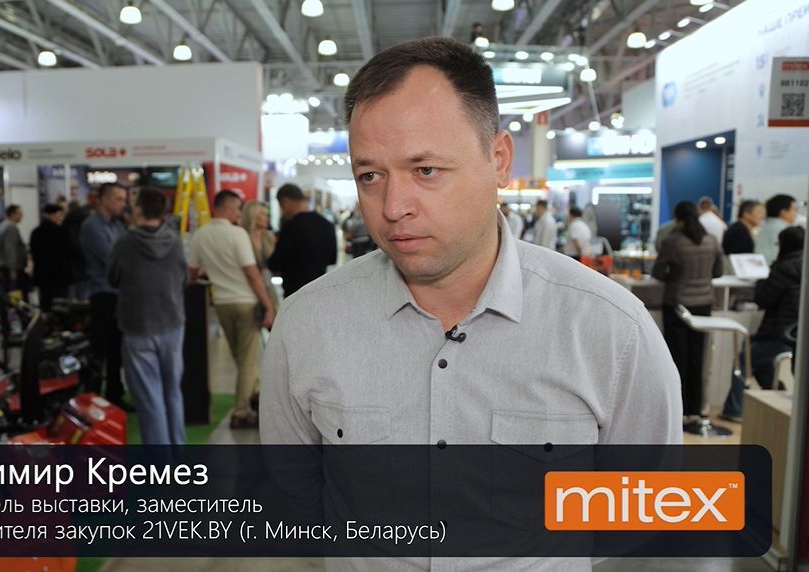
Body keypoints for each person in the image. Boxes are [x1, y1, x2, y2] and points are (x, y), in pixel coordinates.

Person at [261, 39, 681, 569]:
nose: (393, 207)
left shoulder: (611, 330)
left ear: (498, 160)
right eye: (370, 175)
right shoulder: (307, 324)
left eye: (425, 170)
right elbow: (298, 490)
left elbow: (639, 505)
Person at [188, 190, 275, 429]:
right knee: (247, 359)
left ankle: (255, 393)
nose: (239, 213)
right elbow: (252, 273)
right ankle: (241, 412)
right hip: (246, 302)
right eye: (237, 208)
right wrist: (268, 305)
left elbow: (192, 272)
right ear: (226, 208)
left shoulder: (200, 235)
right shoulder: (237, 234)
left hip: (222, 303)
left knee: (240, 355)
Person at [107, 187, 187, 445]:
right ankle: (178, 451)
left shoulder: (124, 244)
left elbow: (112, 277)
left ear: (139, 209)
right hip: (172, 322)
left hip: (138, 325)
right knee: (172, 391)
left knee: (149, 397)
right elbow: (183, 278)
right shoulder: (175, 241)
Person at [652, 201, 723, 428]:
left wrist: (675, 275)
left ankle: (678, 410)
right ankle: (695, 409)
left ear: (677, 219)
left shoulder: (673, 241)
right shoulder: (711, 240)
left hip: (677, 304)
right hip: (704, 305)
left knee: (676, 359)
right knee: (697, 358)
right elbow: (718, 271)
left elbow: (658, 272)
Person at [722, 225, 804, 421]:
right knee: (761, 363)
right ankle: (776, 397)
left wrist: (762, 279)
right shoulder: (803, 266)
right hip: (795, 334)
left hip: (777, 333)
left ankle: (734, 410)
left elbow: (763, 298)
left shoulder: (783, 268)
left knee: (745, 359)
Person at [80, 183, 132, 411]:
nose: (123, 204)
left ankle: (114, 395)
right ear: (103, 199)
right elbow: (112, 259)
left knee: (116, 350)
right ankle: (91, 398)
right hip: (103, 295)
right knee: (100, 349)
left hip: (119, 294)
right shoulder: (92, 226)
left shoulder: (118, 225)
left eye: (124, 199)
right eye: (118, 199)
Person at [267, 183, 338, 298]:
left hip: (294, 294)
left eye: (281, 206)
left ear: (286, 202)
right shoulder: (327, 225)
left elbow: (275, 263)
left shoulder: (291, 227)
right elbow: (332, 259)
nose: (282, 210)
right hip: (320, 291)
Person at [29, 204, 73, 309]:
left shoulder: (36, 232)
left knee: (45, 303)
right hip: (59, 276)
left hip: (42, 275)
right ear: (52, 215)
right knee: (60, 306)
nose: (61, 218)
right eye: (59, 215)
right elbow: (67, 252)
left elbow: (33, 252)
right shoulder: (60, 232)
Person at [241, 200, 279, 313]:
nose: (266, 218)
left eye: (266, 214)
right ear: (253, 215)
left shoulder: (268, 237)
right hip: (248, 288)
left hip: (268, 285)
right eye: (262, 214)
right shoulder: (243, 237)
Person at [0, 204, 28, 297]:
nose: (22, 215)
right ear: (12, 214)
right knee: (16, 295)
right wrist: (13, 270)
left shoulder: (3, 225)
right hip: (11, 268)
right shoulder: (10, 227)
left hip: (5, 266)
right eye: (19, 213)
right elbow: (11, 249)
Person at [755, 194, 798, 265]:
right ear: (783, 212)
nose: (796, 214)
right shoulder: (784, 229)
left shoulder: (766, 225)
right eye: (795, 210)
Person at [62, 198, 91, 299]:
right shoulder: (86, 218)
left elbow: (72, 242)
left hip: (74, 266)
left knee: (77, 295)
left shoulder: (68, 221)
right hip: (84, 265)